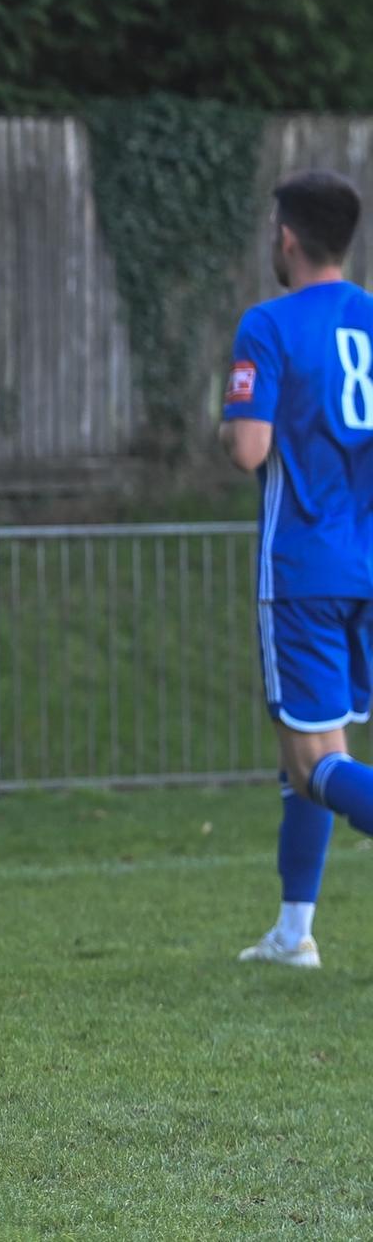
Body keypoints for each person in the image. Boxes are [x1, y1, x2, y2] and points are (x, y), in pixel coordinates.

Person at [222, 169, 373, 969]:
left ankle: (294, 931)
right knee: (311, 753)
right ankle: (294, 930)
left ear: (285, 237)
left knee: (315, 762)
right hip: (368, 563)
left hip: (305, 569)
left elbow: (248, 447)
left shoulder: (269, 323)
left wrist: (233, 433)